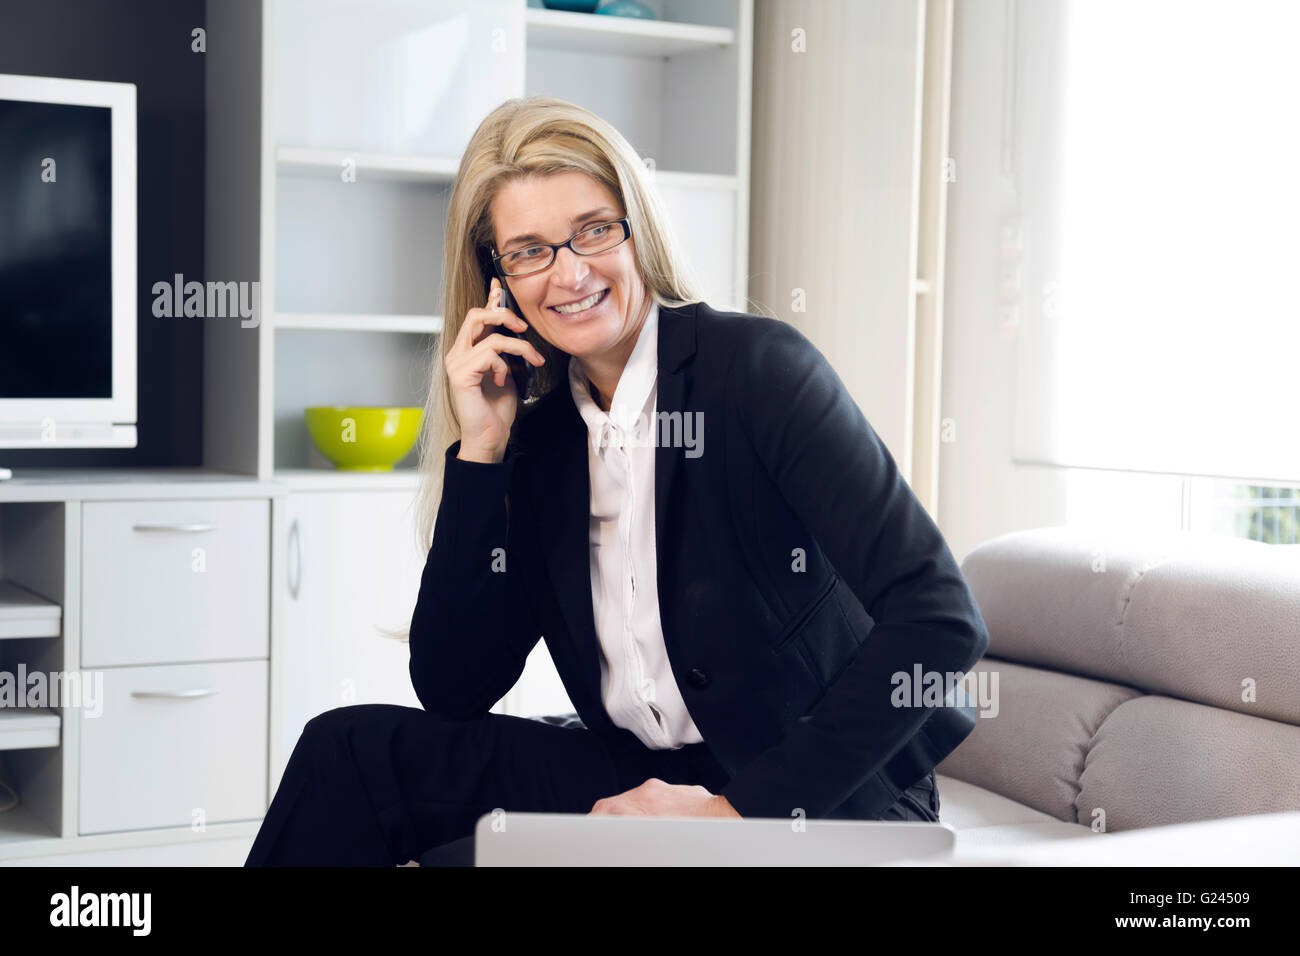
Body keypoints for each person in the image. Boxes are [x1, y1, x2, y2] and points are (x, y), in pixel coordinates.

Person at [245, 96, 988, 867]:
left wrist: (740, 813)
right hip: (645, 772)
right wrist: (483, 448)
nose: (570, 273)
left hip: (821, 794)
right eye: (529, 250)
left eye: (594, 230)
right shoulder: (541, 443)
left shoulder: (759, 374)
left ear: (637, 229)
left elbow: (941, 621)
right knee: (350, 752)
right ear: (496, 281)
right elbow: (454, 688)